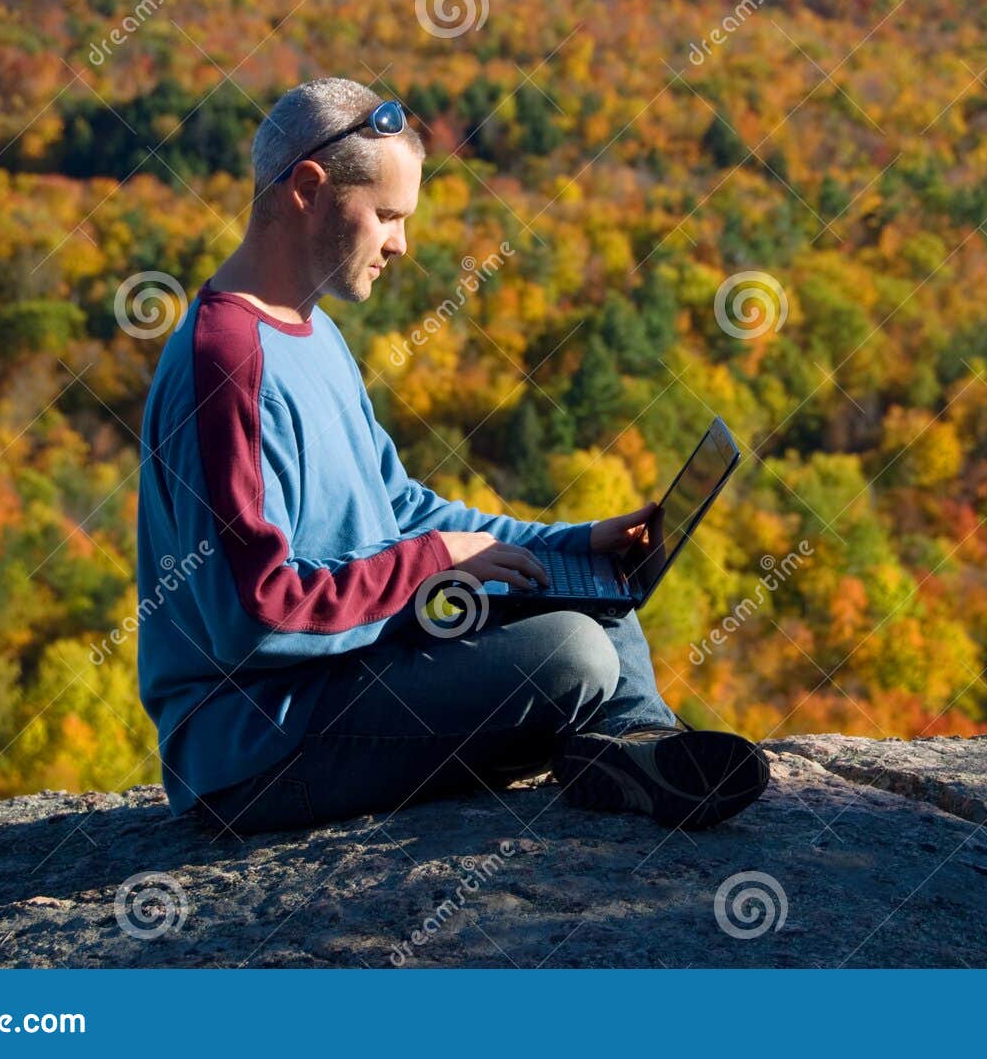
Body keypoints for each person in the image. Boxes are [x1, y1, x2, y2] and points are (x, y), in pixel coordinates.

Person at [134, 76, 769, 838]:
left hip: (342, 679)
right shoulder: (229, 365)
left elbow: (399, 506)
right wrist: (434, 563)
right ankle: (613, 736)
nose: (401, 243)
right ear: (307, 188)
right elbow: (254, 617)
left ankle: (636, 746)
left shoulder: (310, 328)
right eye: (388, 215)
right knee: (573, 654)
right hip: (257, 745)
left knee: (597, 590)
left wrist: (564, 542)